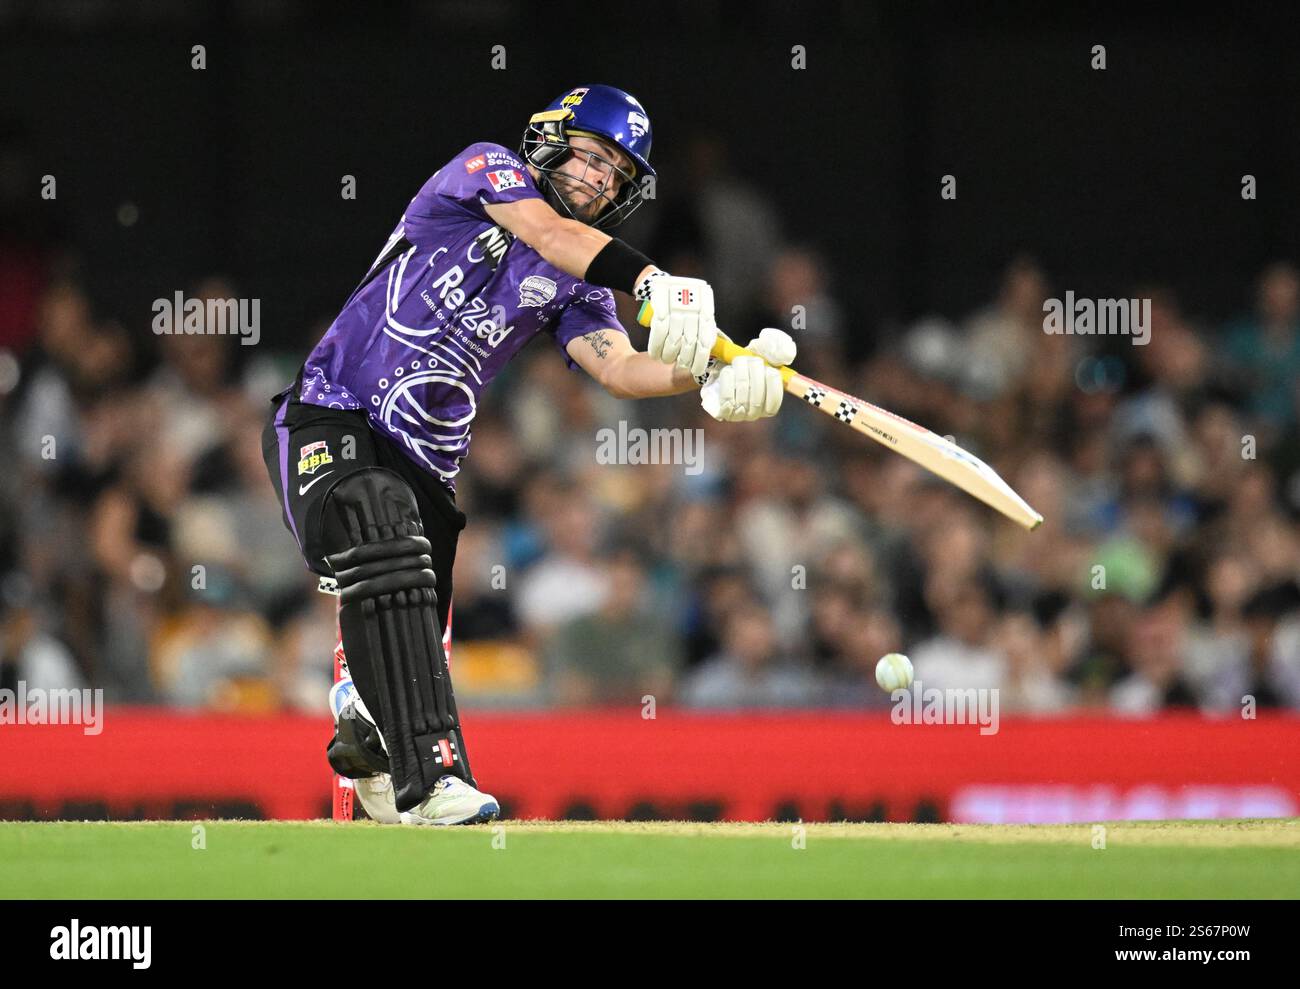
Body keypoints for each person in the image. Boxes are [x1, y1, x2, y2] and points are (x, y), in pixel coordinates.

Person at [261, 84, 796, 825]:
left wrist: (712, 372)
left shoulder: (576, 282)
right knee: (378, 511)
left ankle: (378, 736)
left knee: (397, 582)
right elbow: (551, 236)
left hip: (425, 482)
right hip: (327, 416)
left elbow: (618, 365)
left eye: (617, 174)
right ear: (551, 136)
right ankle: (428, 769)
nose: (601, 179)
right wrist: (653, 279)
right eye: (593, 155)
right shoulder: (486, 169)